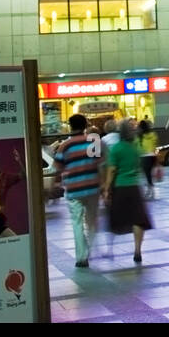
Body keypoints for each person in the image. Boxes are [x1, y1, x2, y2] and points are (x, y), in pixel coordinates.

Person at [54, 114, 103, 268]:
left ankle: (81, 257)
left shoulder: (65, 145)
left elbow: (58, 167)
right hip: (92, 188)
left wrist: (58, 181)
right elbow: (99, 163)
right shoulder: (93, 141)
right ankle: (89, 249)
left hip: (74, 190)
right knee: (92, 221)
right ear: (85, 126)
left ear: (70, 126)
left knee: (76, 222)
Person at [104, 118, 151, 262]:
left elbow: (111, 171)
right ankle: (137, 251)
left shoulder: (116, 149)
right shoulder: (135, 148)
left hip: (120, 187)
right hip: (135, 187)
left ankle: (110, 249)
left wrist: (106, 190)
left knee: (115, 219)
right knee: (138, 219)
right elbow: (139, 167)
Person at [138, 119, 159, 200]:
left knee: (146, 175)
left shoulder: (140, 136)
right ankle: (151, 191)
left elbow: (138, 146)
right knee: (149, 174)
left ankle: (150, 191)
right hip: (152, 156)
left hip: (144, 156)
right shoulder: (153, 134)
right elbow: (155, 143)